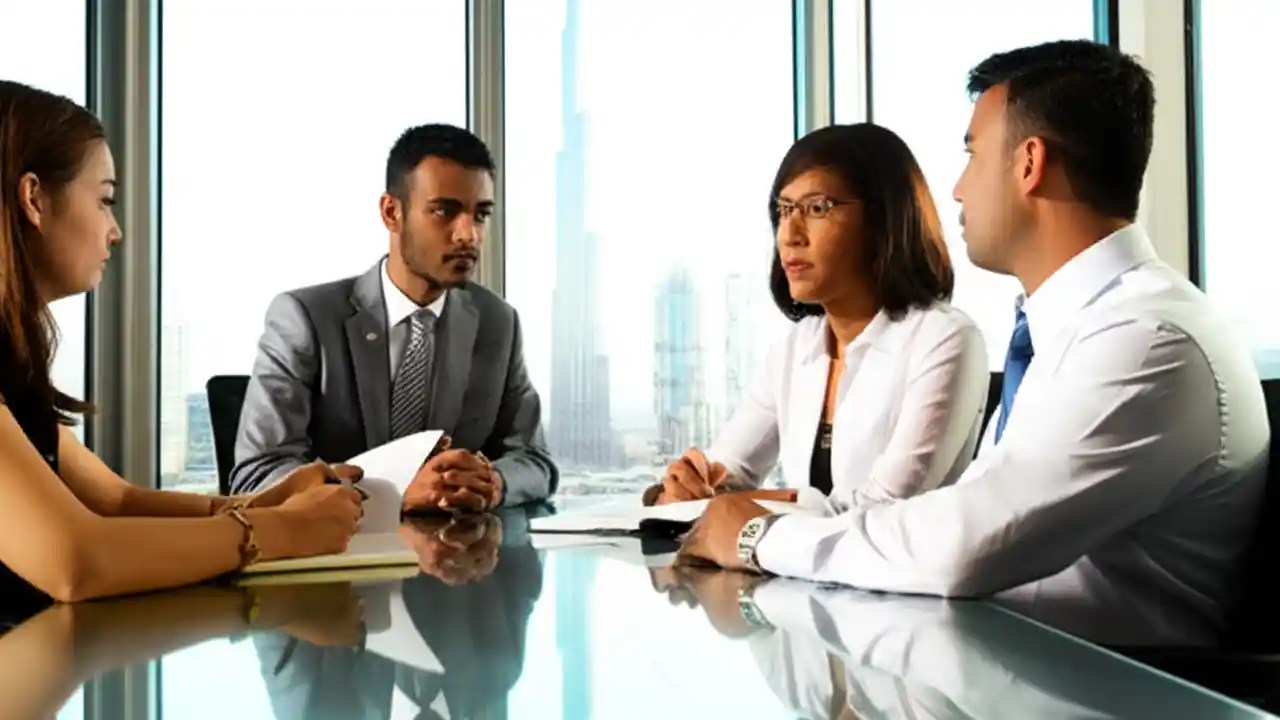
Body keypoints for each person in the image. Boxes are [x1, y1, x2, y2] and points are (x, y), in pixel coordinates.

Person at [679, 40, 1269, 647]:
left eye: (972, 154)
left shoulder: (1146, 341)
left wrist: (756, 535)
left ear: (1029, 163)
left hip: (1085, 692)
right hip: (996, 665)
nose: (958, 189)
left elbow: (965, 543)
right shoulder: (1064, 334)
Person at [0, 81, 363, 606]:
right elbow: (75, 559)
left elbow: (117, 502)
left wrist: (264, 504)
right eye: (104, 200)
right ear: (34, 198)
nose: (116, 231)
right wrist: (281, 532)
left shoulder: (14, 369)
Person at [648, 123, 987, 511]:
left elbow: (880, 510)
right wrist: (681, 491)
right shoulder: (795, 348)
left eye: (816, 208)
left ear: (884, 220)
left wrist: (738, 504)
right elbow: (724, 476)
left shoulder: (945, 338)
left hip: (899, 571)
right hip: (793, 570)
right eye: (784, 209)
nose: (790, 233)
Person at [231, 124, 557, 512]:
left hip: (458, 562)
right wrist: (391, 492)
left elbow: (536, 462)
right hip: (339, 562)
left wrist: (492, 482)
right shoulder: (305, 319)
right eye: (444, 211)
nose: (468, 234)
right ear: (392, 212)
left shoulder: (497, 323)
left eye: (480, 214)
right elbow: (257, 474)